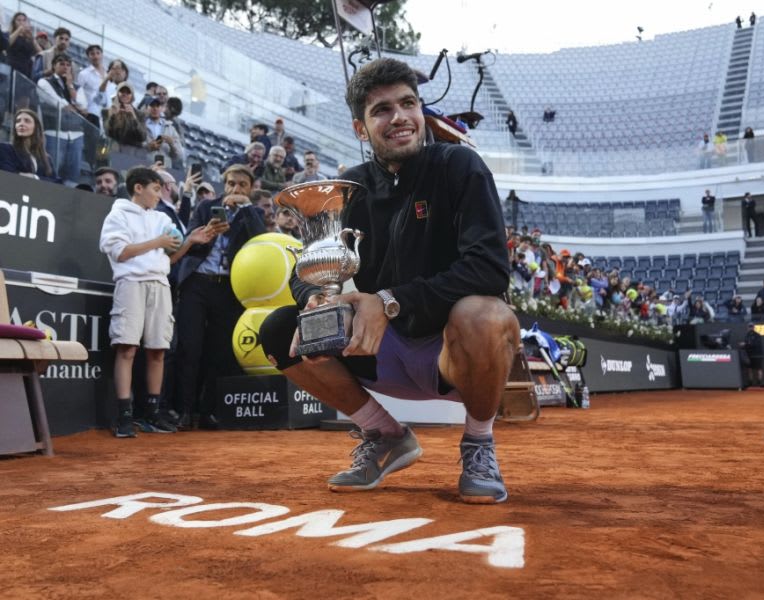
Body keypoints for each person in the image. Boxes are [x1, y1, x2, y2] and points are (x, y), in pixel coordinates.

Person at [260, 57, 517, 504]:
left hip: (450, 353)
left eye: (408, 103)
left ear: (421, 111)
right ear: (361, 129)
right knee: (281, 328)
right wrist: (314, 302)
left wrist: (389, 300)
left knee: (484, 313)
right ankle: (385, 435)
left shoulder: (461, 166)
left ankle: (478, 443)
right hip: (378, 351)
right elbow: (308, 266)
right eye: (381, 110)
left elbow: (491, 268)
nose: (399, 117)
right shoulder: (348, 188)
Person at [99, 167, 214, 437]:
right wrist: (157, 242)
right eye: (155, 188)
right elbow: (121, 253)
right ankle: (125, 415)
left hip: (160, 284)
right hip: (130, 284)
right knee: (126, 348)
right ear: (138, 188)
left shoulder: (162, 218)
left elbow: (169, 260)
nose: (159, 194)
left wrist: (190, 242)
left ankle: (152, 412)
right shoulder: (118, 215)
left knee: (158, 350)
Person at [175, 164, 267, 430]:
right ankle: (184, 411)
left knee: (219, 352)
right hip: (197, 284)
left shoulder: (253, 212)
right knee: (190, 348)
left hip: (229, 288)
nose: (235, 189)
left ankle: (208, 412)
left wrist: (248, 208)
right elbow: (188, 239)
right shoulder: (206, 207)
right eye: (231, 183)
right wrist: (206, 234)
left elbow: (262, 241)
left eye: (241, 185)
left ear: (250, 189)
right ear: (224, 184)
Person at [36, 53, 87, 186]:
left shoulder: (76, 87)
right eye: (62, 63)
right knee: (51, 172)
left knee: (72, 176)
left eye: (68, 65)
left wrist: (70, 85)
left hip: (76, 135)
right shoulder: (44, 82)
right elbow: (56, 102)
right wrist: (72, 106)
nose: (65, 67)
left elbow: (82, 105)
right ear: (54, 66)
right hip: (54, 132)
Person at [0, 109, 53, 180]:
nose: (21, 124)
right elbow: (8, 173)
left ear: (36, 127)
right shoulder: (5, 149)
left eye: (27, 121)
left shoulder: (47, 158)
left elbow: (57, 182)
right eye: (18, 121)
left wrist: (35, 177)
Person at [6, 13, 43, 79]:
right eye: (19, 20)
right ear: (14, 22)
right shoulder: (10, 34)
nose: (22, 22)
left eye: (24, 20)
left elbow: (41, 53)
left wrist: (32, 38)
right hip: (12, 66)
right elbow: (7, 43)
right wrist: (19, 29)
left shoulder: (28, 37)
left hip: (26, 69)